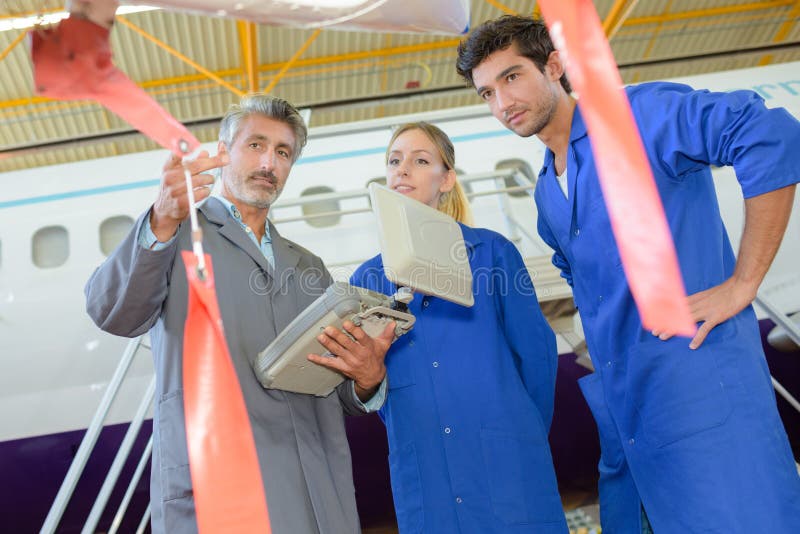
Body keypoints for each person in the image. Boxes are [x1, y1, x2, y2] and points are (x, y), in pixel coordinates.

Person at [456, 14, 800, 533]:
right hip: (633, 420)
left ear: (553, 66)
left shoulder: (634, 118)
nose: (502, 104)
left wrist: (743, 283)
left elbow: (770, 135)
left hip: (704, 397)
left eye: (512, 77)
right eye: (486, 93)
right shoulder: (548, 193)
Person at [85, 93, 394, 534]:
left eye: (283, 152)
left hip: (313, 497)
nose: (269, 162)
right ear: (224, 152)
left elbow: (336, 389)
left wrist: (367, 379)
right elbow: (111, 312)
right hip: (222, 494)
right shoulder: (175, 235)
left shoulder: (308, 268)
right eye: (256, 145)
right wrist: (160, 220)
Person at [322, 121, 568, 533]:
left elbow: (536, 359)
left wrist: (516, 435)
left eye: (420, 161)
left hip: (508, 467)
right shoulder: (368, 281)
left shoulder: (492, 254)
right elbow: (370, 387)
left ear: (447, 179)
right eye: (395, 161)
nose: (403, 170)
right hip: (426, 472)